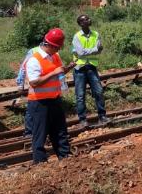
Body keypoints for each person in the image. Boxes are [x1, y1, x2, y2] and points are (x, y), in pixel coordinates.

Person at [26, 28, 74, 164]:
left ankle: (65, 159)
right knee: (40, 134)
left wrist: (66, 69)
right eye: (57, 48)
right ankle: (40, 163)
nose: (58, 50)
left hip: (55, 99)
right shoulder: (34, 60)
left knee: (60, 131)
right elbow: (34, 83)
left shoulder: (55, 56)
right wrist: (53, 73)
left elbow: (59, 73)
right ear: (50, 45)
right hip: (39, 103)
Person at [72, 14, 109, 128]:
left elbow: (99, 50)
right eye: (86, 19)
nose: (89, 20)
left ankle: (102, 116)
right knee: (80, 95)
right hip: (80, 69)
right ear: (81, 24)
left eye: (88, 18)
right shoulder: (77, 36)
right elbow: (81, 53)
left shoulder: (96, 34)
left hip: (92, 67)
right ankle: (83, 120)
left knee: (98, 92)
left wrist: (92, 51)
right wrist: (94, 50)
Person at [16, 45, 40, 137]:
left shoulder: (54, 52)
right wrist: (20, 84)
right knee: (32, 110)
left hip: (49, 92)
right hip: (35, 89)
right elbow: (23, 68)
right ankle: (29, 132)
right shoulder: (34, 52)